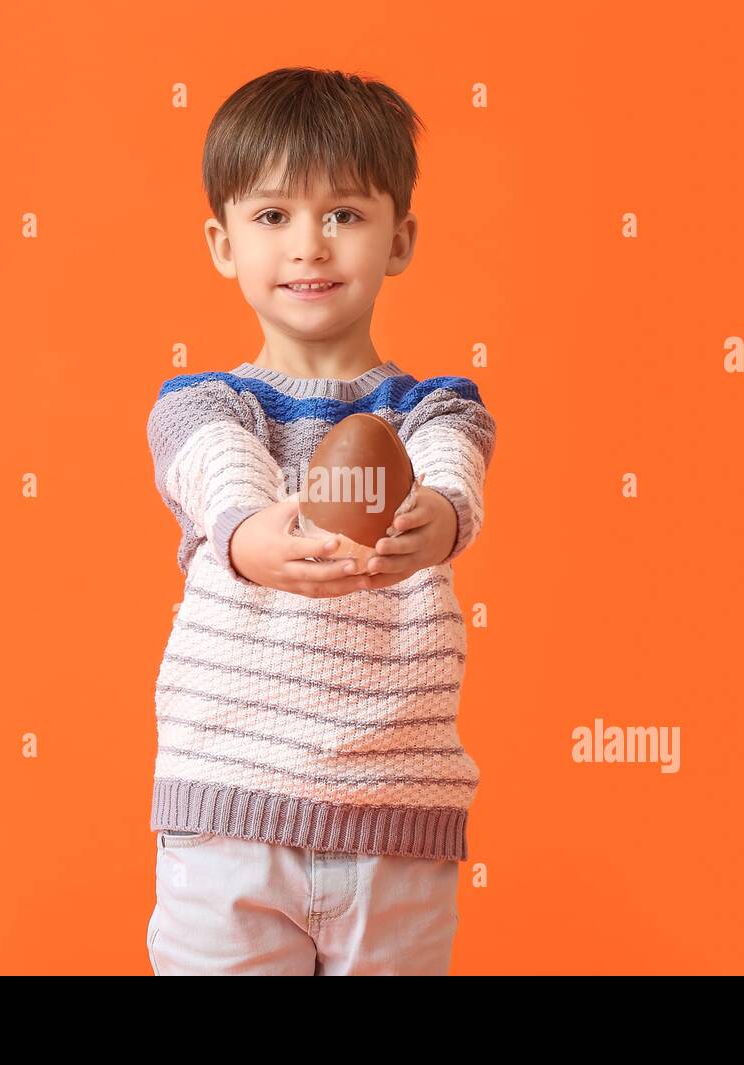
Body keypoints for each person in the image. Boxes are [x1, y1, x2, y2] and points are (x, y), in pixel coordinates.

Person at [144, 66, 496, 975]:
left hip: (395, 825)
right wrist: (247, 534)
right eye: (273, 217)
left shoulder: (435, 409)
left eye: (343, 213)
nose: (310, 245)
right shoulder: (206, 404)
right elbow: (217, 472)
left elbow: (456, 474)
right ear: (222, 244)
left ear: (400, 238)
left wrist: (439, 515)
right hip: (229, 821)